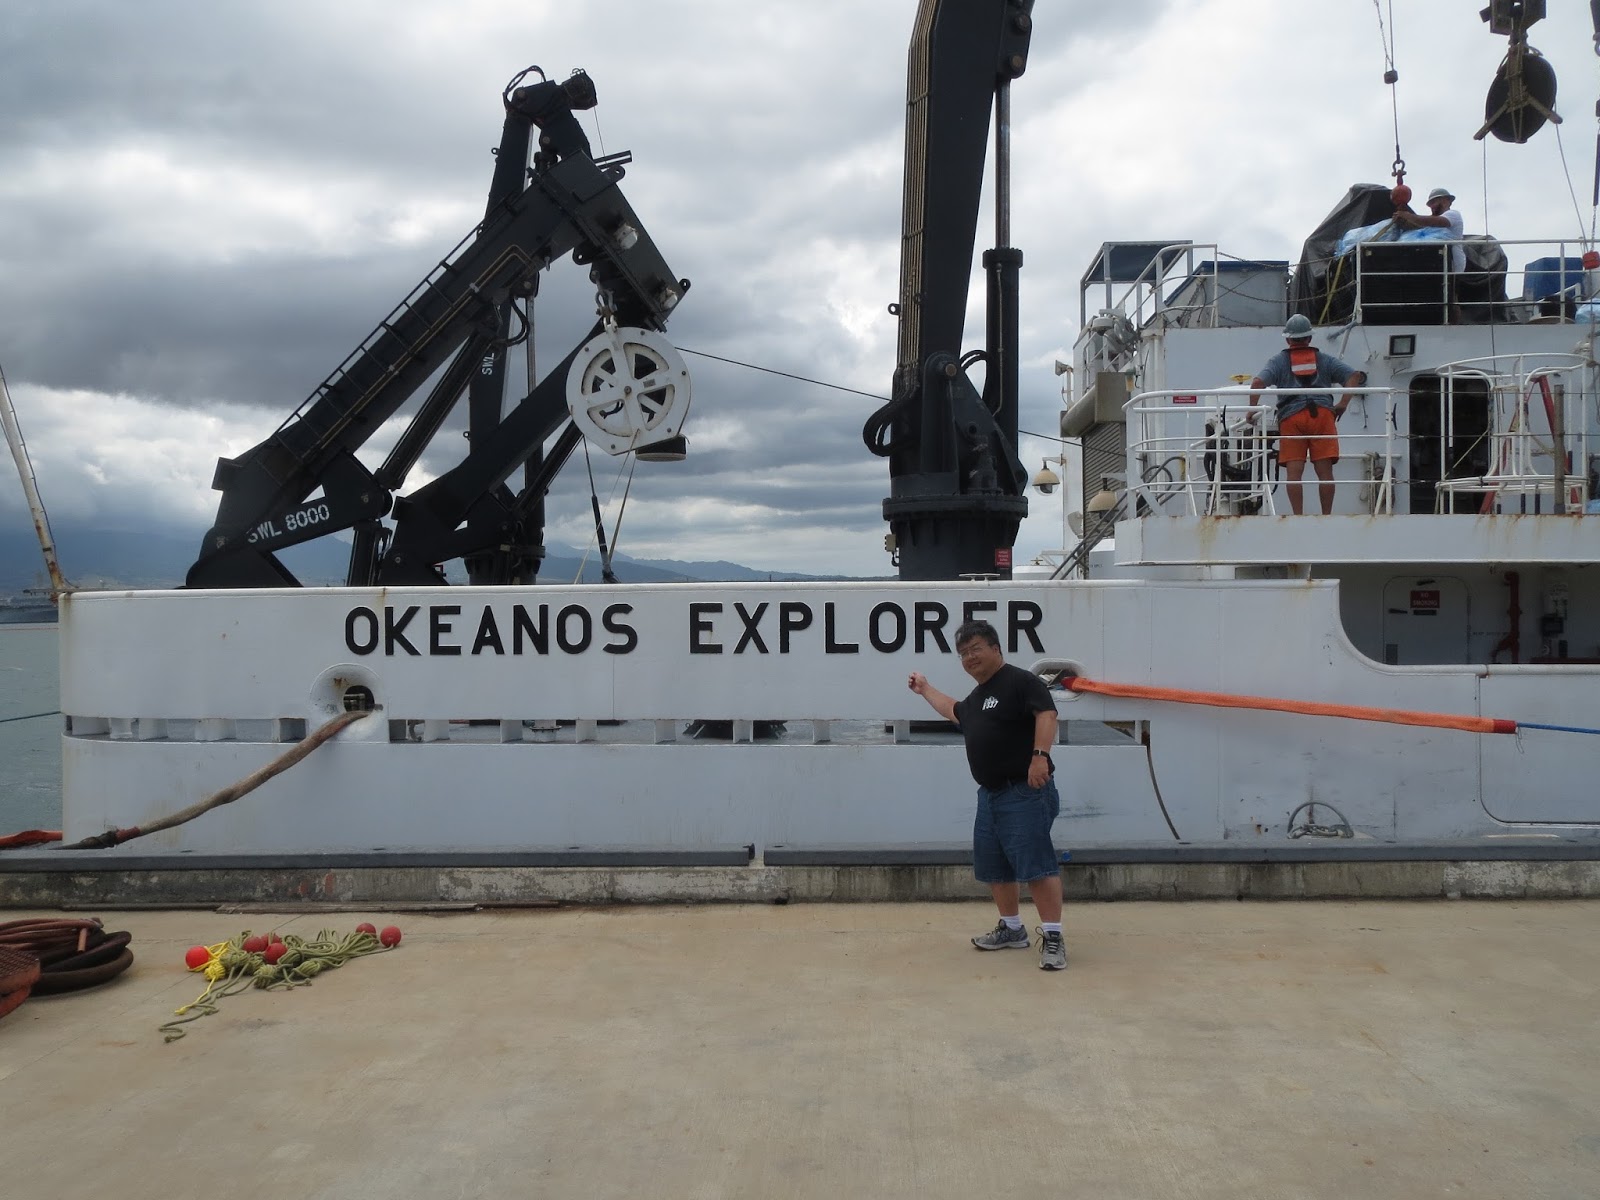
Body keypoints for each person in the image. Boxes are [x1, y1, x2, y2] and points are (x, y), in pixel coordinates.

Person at [907, 620, 1066, 971]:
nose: (970, 657)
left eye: (976, 648)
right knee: (996, 867)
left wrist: (1040, 756)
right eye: (963, 653)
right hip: (990, 795)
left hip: (1024, 791)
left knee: (1037, 865)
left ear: (996, 648)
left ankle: (1054, 937)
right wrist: (925, 689)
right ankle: (1012, 928)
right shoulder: (977, 699)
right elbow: (953, 710)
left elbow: (1047, 713)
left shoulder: (1020, 681)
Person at [1249, 314, 1367, 515]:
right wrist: (1343, 404)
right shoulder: (1325, 360)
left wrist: (1252, 410)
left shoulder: (1278, 361)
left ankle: (1298, 515)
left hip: (1291, 418)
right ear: (1309, 338)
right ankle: (1326, 515)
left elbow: (1258, 382)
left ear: (1288, 339)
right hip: (1322, 416)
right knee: (1325, 472)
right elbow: (1354, 375)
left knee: (1294, 473)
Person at [1392, 187, 1465, 319]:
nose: (1432, 206)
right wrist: (1403, 219)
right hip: (1438, 263)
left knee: (1451, 295)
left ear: (1446, 201)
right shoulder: (1432, 223)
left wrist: (1408, 216)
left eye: (1435, 202)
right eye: (1430, 203)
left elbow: (1432, 221)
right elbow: (1419, 224)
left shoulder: (1453, 215)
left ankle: (1454, 322)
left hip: (1452, 262)